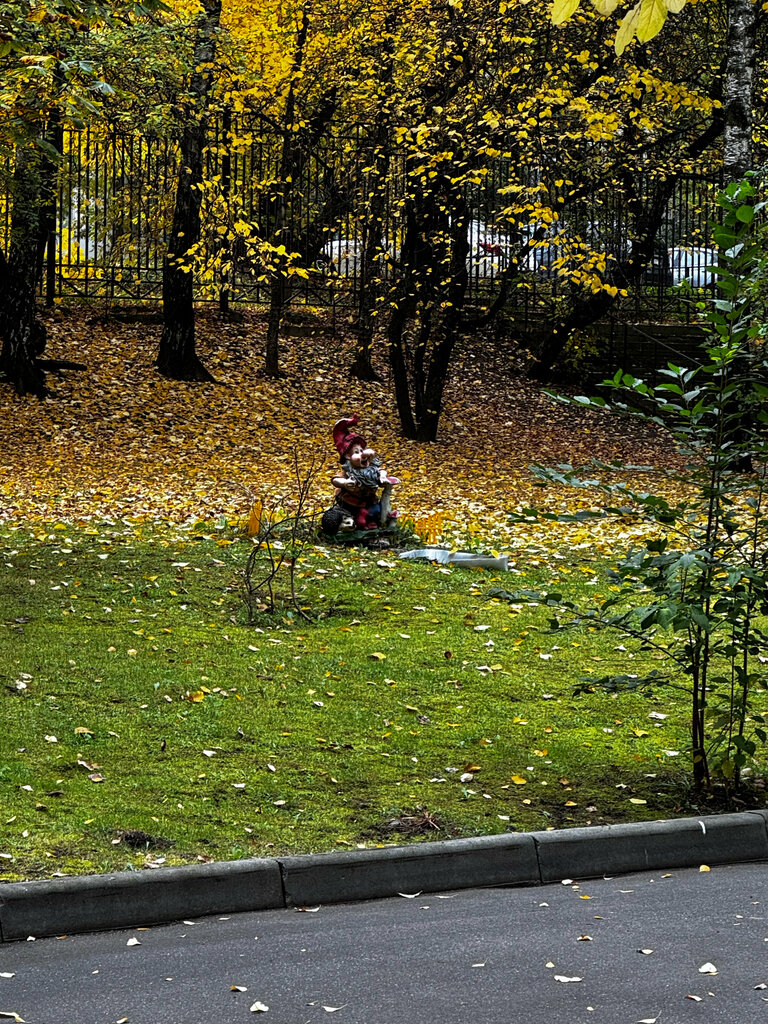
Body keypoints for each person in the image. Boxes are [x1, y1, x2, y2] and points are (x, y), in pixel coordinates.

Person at [322, 415, 398, 534]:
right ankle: (350, 525)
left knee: (375, 510)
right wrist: (345, 483)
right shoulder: (349, 472)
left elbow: (381, 470)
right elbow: (335, 480)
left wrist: (382, 477)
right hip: (349, 502)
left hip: (369, 501)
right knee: (352, 515)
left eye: (362, 450)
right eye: (356, 452)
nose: (362, 454)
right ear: (348, 457)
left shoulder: (371, 469)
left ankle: (372, 523)